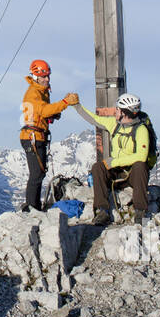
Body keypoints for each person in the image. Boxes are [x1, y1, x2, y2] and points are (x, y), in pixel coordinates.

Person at [73, 93, 150, 225]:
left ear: (124, 113)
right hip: (115, 172)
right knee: (98, 167)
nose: (115, 111)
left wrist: (114, 162)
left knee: (140, 166)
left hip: (132, 174)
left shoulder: (141, 129)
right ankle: (102, 211)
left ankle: (141, 212)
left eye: (118, 109)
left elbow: (141, 156)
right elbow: (94, 119)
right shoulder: (115, 124)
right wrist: (77, 106)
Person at [19, 59, 78, 213]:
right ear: (36, 76)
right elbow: (44, 111)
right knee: (37, 174)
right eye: (44, 77)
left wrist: (55, 112)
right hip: (33, 136)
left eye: (47, 76)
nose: (47, 79)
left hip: (37, 135)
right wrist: (65, 102)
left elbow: (42, 113)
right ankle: (31, 207)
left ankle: (33, 206)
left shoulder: (41, 92)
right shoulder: (34, 93)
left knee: (39, 173)